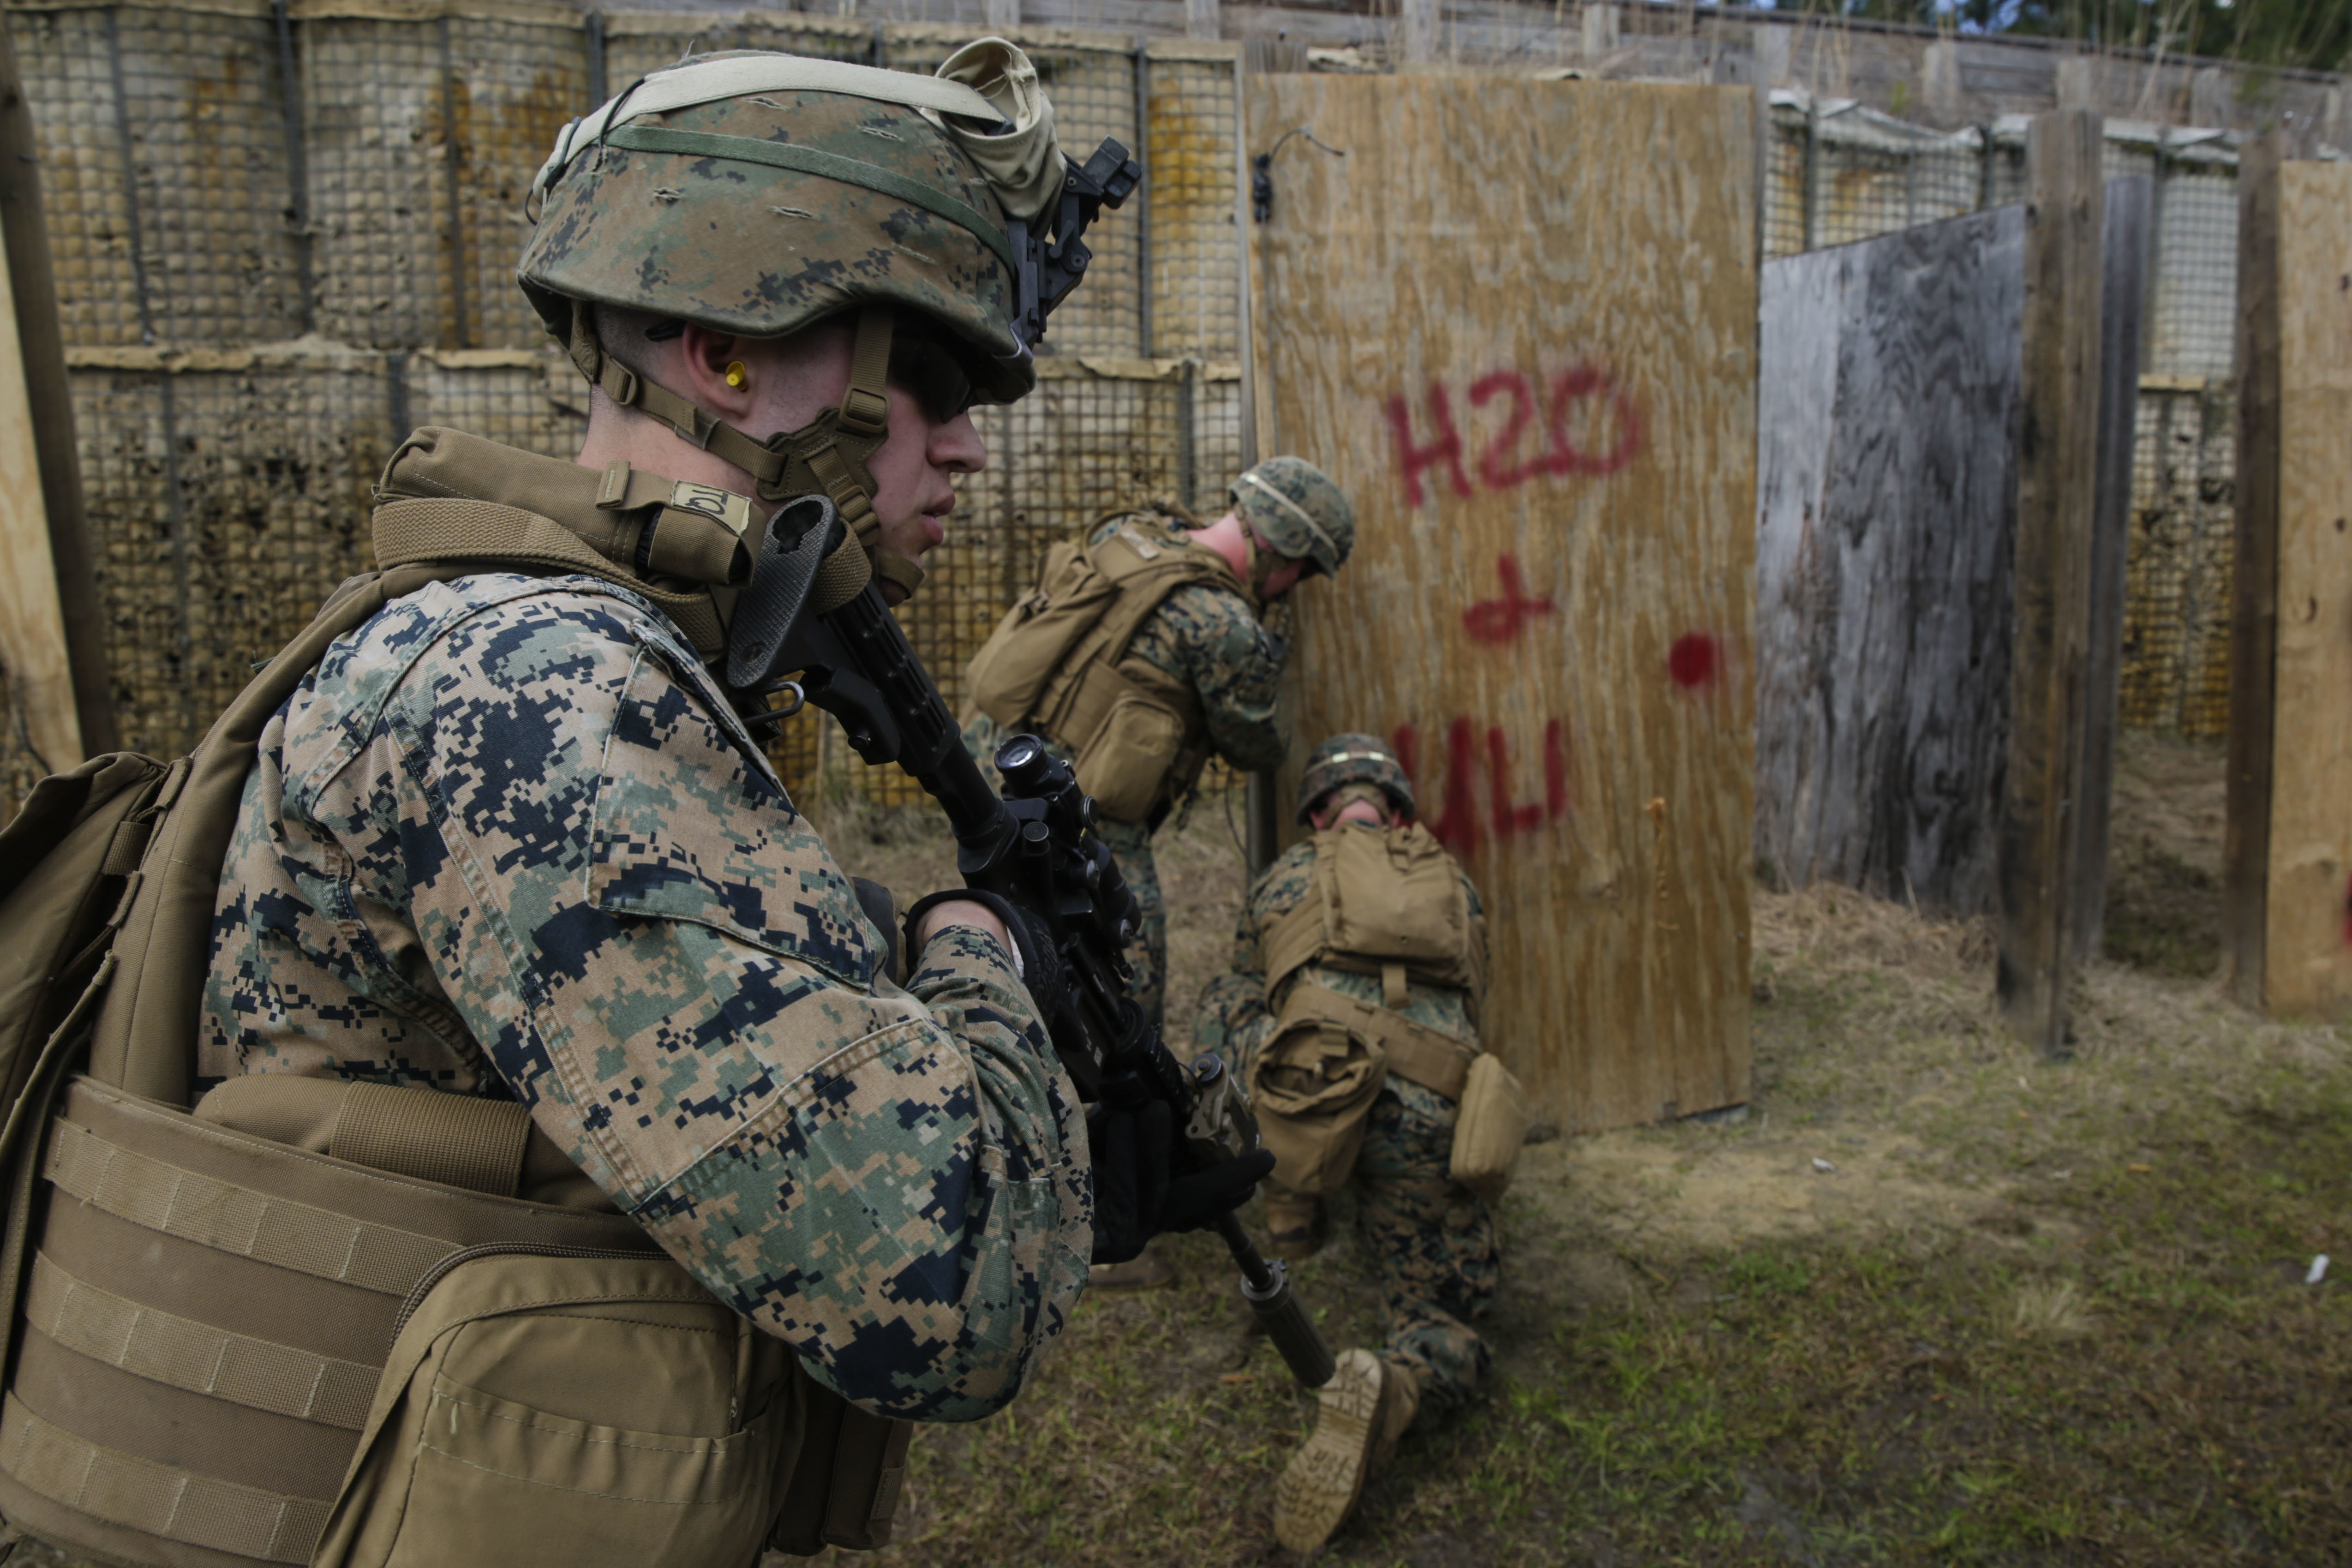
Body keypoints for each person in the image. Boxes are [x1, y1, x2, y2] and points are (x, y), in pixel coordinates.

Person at [5, 43, 1235, 1565]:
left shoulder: (571, 649)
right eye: (932, 373)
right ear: (720, 352)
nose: (970, 437)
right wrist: (975, 952)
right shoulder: (543, 691)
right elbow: (953, 1292)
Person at [1192, 734, 1504, 1556]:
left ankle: (1289, 1220)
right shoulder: (1459, 886)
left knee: (1241, 1011)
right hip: (1423, 1113)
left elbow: (1233, 998)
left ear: (1318, 814)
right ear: (1399, 811)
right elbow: (1475, 1010)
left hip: (1309, 1099)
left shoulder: (1282, 877)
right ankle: (1399, 1381)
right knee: (1447, 1316)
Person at [961, 458, 1356, 1034]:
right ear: (1284, 550)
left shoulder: (1130, 534)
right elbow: (1255, 746)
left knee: (1000, 918)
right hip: (1082, 811)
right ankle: (1110, 1103)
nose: (1295, 587)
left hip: (995, 755)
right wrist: (1272, 660)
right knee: (1129, 975)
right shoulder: (1225, 625)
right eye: (1304, 571)